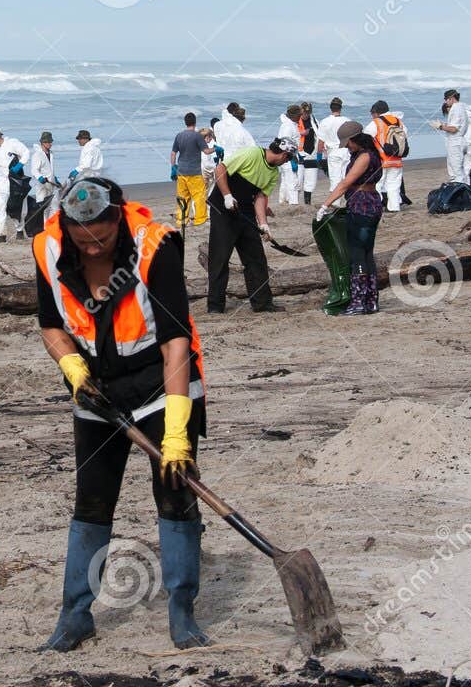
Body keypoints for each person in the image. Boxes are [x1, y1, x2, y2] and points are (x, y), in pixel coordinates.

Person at [33, 175, 209, 653]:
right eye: (81, 239)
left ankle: (182, 610)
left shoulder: (156, 247)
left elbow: (176, 343)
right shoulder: (47, 248)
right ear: (66, 226)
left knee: (174, 493)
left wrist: (176, 433)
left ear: (119, 219)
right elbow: (51, 326)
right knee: (91, 501)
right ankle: (74, 614)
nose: (92, 249)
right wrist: (71, 366)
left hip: (160, 382)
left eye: (103, 238)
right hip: (97, 391)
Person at [206, 139, 294, 314]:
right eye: (288, 158)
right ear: (284, 155)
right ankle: (215, 306)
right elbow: (220, 169)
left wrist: (263, 224)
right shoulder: (252, 153)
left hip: (245, 212)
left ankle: (262, 304)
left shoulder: (273, 173)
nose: (287, 161)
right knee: (220, 258)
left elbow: (260, 198)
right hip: (222, 208)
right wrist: (227, 196)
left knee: (256, 259)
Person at [317, 120, 383, 314]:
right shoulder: (371, 154)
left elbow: (346, 183)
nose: (347, 146)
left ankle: (359, 302)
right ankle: (371, 300)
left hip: (362, 204)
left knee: (357, 254)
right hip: (371, 202)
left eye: (348, 142)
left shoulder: (364, 157)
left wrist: (325, 204)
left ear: (356, 139)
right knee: (367, 252)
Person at [0, 127, 30, 242]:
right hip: (2, 181)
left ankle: (20, 230)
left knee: (18, 207)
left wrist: (20, 165)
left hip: (16, 180)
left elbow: (26, 152)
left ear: (0, 136)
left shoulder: (12, 143)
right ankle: (0, 235)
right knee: (0, 206)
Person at [170, 112, 209, 228]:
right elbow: (206, 151)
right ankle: (200, 219)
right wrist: (215, 149)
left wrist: (173, 167)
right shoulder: (197, 136)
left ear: (185, 122)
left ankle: (182, 220)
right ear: (195, 122)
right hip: (195, 172)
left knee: (182, 197)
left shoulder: (179, 135)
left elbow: (173, 153)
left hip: (181, 171)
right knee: (199, 196)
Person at [369, 100, 406, 212]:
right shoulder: (398, 122)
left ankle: (377, 207)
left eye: (372, 114)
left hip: (381, 160)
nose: (372, 116)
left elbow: (366, 136)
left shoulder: (376, 122)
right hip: (396, 160)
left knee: (377, 185)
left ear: (376, 112)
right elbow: (404, 135)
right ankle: (394, 207)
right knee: (394, 186)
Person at [432, 88, 469, 184]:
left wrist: (440, 126)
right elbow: (455, 126)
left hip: (456, 142)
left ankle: (461, 193)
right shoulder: (460, 107)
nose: (445, 101)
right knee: (459, 170)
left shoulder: (456, 108)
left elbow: (454, 129)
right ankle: (464, 190)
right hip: (458, 140)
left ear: (452, 98)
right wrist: (444, 124)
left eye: (446, 99)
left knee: (456, 172)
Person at [317, 98, 350, 195]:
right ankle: (347, 200)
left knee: (335, 178)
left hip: (333, 152)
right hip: (345, 151)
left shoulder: (325, 122)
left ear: (330, 108)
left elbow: (321, 142)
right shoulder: (347, 121)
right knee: (346, 177)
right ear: (341, 108)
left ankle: (336, 202)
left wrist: (319, 157)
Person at [28, 131, 59, 232]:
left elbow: (50, 169)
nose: (49, 144)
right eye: (47, 142)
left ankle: (50, 227)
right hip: (42, 185)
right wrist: (40, 177)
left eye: (50, 142)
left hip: (51, 183)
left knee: (52, 206)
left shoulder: (51, 153)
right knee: (42, 207)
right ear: (42, 143)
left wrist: (55, 179)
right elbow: (34, 170)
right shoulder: (37, 155)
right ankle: (42, 229)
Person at [276, 104, 303, 205]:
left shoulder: (291, 124)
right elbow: (284, 143)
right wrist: (291, 157)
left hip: (288, 156)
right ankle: (293, 203)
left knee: (285, 179)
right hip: (287, 157)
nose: (300, 117)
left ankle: (283, 200)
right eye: (299, 115)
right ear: (294, 115)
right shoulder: (288, 126)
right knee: (292, 180)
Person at [297, 102, 321, 204]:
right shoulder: (295, 121)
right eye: (304, 113)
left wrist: (320, 151)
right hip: (299, 153)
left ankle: (307, 202)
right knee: (297, 181)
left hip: (312, 153)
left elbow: (320, 135)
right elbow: (288, 135)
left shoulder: (314, 121)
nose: (305, 115)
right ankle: (293, 202)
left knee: (310, 180)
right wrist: (301, 133)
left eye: (307, 113)